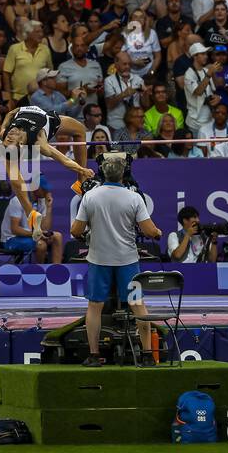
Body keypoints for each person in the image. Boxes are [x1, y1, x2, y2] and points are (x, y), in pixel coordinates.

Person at [69, 151, 161, 367]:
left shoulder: (90, 197)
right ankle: (147, 355)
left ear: (102, 173)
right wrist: (157, 232)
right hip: (128, 261)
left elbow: (75, 230)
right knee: (138, 304)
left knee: (94, 306)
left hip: (99, 260)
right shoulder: (134, 197)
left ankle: (93, 355)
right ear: (123, 175)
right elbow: (149, 231)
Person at [0, 104, 93, 236]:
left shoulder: (4, 134)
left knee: (13, 175)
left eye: (6, 140)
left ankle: (31, 214)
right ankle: (81, 182)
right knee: (80, 130)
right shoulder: (39, 142)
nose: (8, 137)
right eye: (9, 141)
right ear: (20, 144)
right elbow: (63, 159)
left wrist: (6, 124)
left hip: (33, 112)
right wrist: (82, 170)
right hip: (48, 120)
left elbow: (10, 113)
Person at [1, 175, 62, 263]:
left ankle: (57, 271)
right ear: (35, 189)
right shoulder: (18, 200)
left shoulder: (42, 201)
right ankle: (39, 273)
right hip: (12, 239)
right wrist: (36, 234)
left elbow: (45, 229)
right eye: (44, 189)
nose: (47, 192)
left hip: (32, 236)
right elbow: (15, 229)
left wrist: (49, 207)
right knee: (41, 245)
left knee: (57, 236)